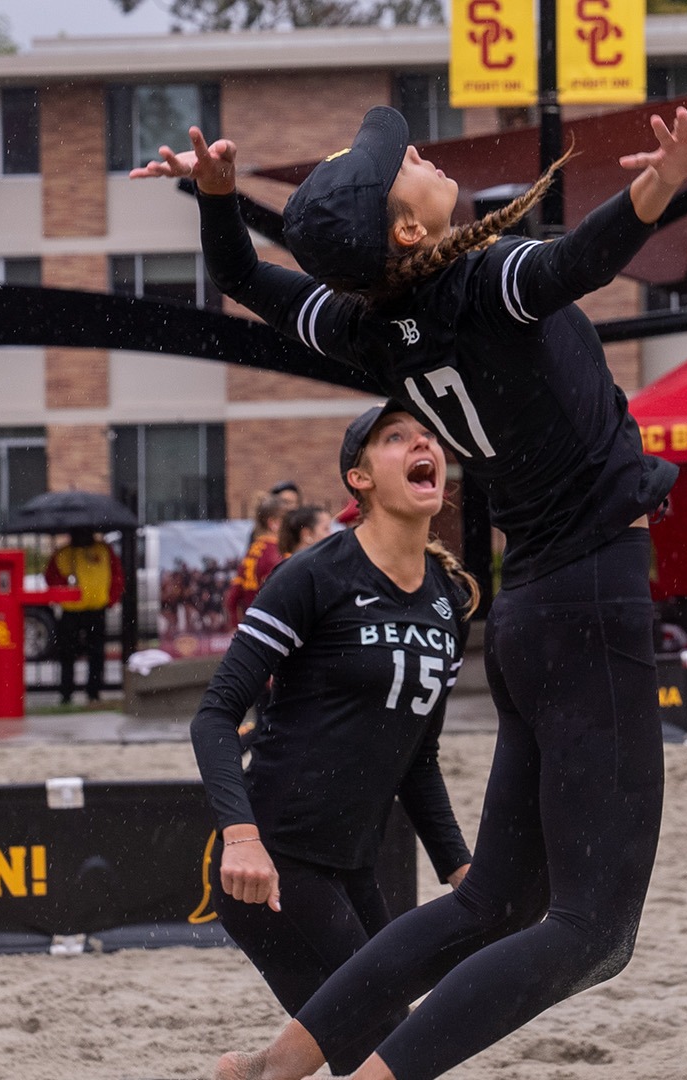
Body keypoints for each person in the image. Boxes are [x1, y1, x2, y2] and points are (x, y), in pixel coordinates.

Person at [132, 99, 687, 1080]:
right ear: (409, 233)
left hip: (530, 613)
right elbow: (580, 261)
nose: (418, 153)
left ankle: (272, 1069)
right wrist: (659, 183)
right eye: (405, 164)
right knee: (593, 930)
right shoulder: (479, 286)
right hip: (589, 602)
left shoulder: (368, 327)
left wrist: (216, 200)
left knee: (491, 904)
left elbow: (244, 278)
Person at [192, 405, 476, 1073]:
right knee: (391, 1052)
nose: (422, 443)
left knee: (397, 1046)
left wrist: (462, 870)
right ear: (360, 477)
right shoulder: (315, 575)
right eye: (396, 437)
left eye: (427, 435)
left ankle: (256, 1072)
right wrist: (242, 838)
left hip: (354, 867)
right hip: (275, 868)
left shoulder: (447, 599)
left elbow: (418, 757)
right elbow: (214, 714)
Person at [45, 527, 124, 705]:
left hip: (96, 609)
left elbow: (116, 575)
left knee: (96, 652)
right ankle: (66, 692)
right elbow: (51, 578)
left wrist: (111, 599)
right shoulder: (63, 553)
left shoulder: (103, 550)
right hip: (71, 611)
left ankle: (93, 692)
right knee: (67, 653)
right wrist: (63, 592)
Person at [227, 497, 289, 625]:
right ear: (274, 523)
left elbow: (233, 597)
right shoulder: (277, 554)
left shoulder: (253, 550)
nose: (292, 527)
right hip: (272, 626)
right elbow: (281, 598)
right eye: (288, 521)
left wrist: (237, 624)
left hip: (253, 623)